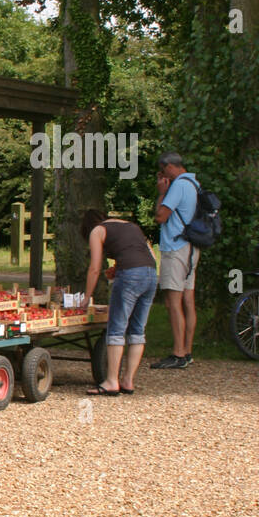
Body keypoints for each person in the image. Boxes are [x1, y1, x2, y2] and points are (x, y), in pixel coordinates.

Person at [81, 209, 157, 395]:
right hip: (151, 275)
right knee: (138, 330)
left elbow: (95, 268)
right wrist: (120, 268)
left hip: (130, 277)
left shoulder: (97, 231)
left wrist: (86, 298)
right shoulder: (132, 226)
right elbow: (152, 256)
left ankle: (111, 381)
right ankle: (128, 380)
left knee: (116, 328)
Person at [152, 152, 199, 368]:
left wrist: (162, 193)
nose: (162, 176)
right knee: (188, 300)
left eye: (162, 172)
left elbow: (161, 216)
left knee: (173, 301)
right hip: (191, 247)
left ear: (169, 167)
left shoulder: (178, 185)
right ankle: (187, 351)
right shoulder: (194, 183)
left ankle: (178, 353)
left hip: (175, 247)